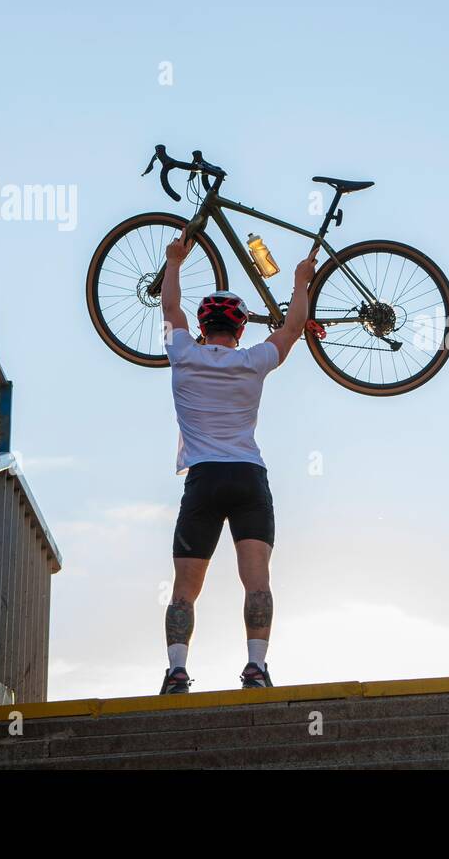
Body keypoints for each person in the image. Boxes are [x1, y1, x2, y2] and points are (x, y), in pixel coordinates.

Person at [157, 235, 317, 695]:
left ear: (203, 327)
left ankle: (176, 673)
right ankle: (256, 668)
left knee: (185, 588)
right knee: (257, 582)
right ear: (241, 329)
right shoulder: (253, 361)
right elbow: (291, 329)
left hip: (204, 479)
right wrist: (300, 281)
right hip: (248, 476)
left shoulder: (182, 354)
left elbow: (171, 309)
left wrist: (173, 262)